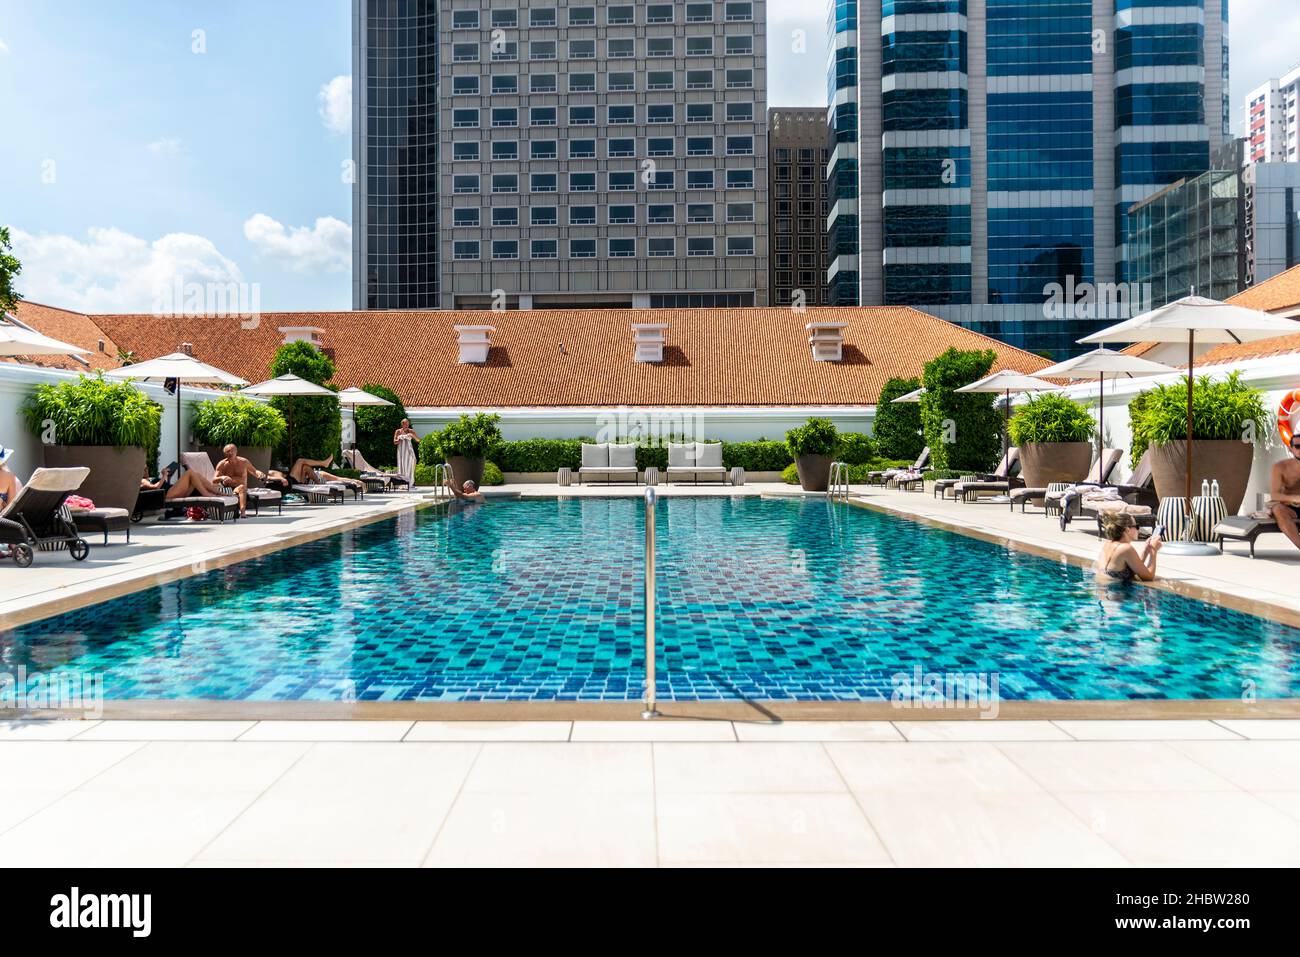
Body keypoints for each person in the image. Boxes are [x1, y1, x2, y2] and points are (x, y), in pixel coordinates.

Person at [1096, 511, 1161, 584]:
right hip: (1116, 593)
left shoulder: (1108, 544)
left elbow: (1133, 568)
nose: (1138, 529)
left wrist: (1145, 552)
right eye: (1137, 526)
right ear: (1127, 530)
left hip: (1103, 591)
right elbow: (1148, 577)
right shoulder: (1126, 548)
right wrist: (1153, 551)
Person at [214, 444, 266, 518]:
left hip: (241, 488)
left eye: (232, 451)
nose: (230, 453)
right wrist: (222, 477)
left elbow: (254, 471)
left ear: (236, 451)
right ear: (225, 453)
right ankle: (239, 510)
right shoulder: (222, 464)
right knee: (242, 488)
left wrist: (260, 474)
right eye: (228, 451)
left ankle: (242, 512)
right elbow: (214, 480)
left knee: (242, 487)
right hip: (228, 489)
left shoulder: (243, 462)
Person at [1269, 434, 1300, 551]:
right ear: (1290, 448)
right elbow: (1275, 495)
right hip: (1291, 508)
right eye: (1298, 446)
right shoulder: (1280, 467)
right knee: (1277, 509)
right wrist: (1297, 498)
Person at [287, 455, 364, 495]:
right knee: (300, 461)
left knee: (303, 465)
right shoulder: (319, 473)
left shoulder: (314, 472)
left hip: (296, 480)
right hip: (292, 481)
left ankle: (323, 465)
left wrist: (355, 481)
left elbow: (338, 479)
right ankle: (323, 463)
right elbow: (338, 479)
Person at [394, 419, 418, 487]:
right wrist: (400, 438)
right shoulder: (398, 431)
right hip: (401, 452)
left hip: (409, 451)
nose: (407, 425)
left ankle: (410, 481)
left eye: (408, 424)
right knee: (402, 465)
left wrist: (412, 435)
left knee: (412, 463)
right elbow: (395, 442)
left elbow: (418, 440)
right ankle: (403, 482)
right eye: (405, 424)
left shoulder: (411, 431)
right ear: (402, 424)